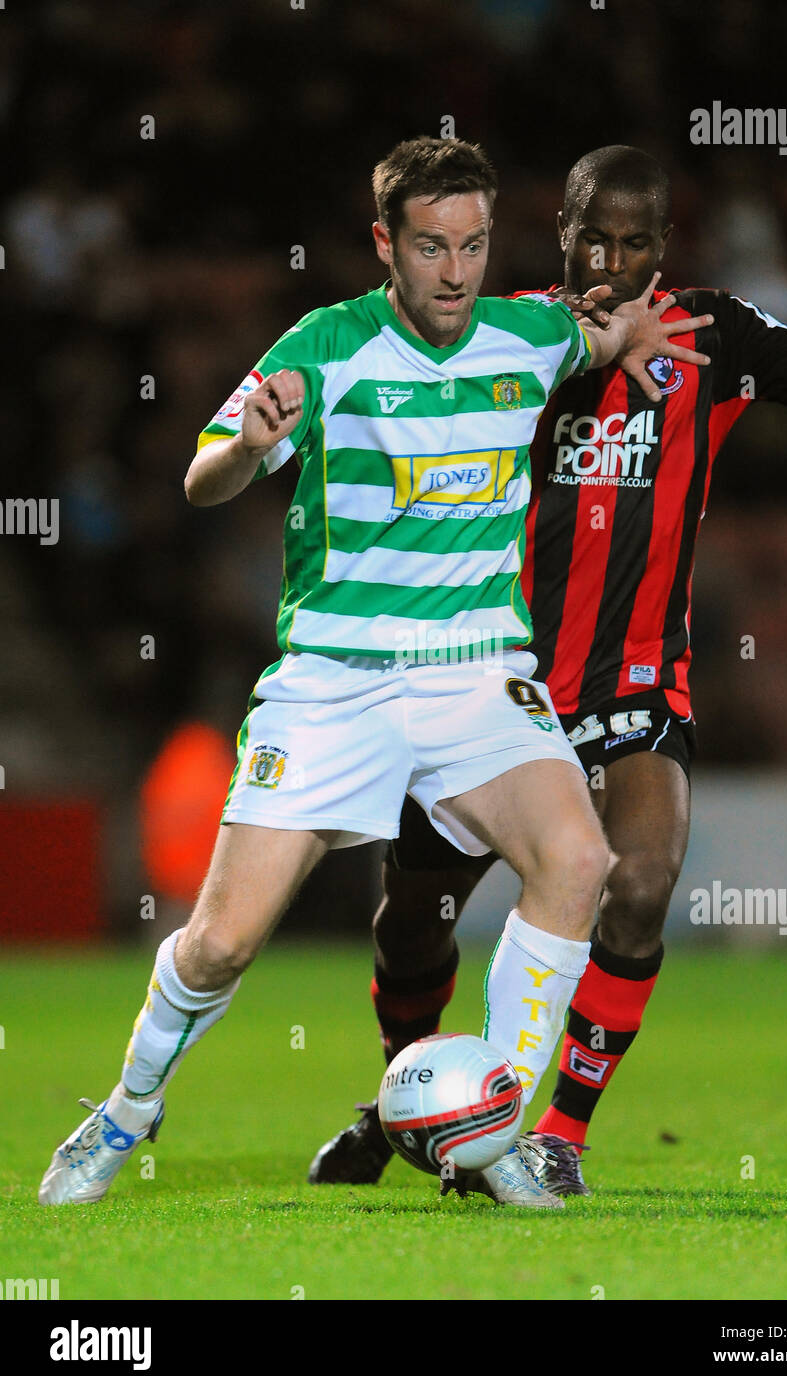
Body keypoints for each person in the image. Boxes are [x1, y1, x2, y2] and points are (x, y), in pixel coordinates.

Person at [38, 138, 711, 1210]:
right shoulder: (325, 345)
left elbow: (611, 322)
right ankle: (127, 1107)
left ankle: (494, 1135)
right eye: (433, 246)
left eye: (477, 245)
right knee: (219, 943)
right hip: (334, 680)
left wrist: (640, 331)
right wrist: (247, 446)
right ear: (384, 244)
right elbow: (203, 476)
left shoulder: (531, 335)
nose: (456, 271)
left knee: (580, 861)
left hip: (476, 671)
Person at [309, 144, 787, 1202]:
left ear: (662, 245)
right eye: (592, 237)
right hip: (493, 682)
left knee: (643, 879)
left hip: (635, 684)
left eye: (634, 241)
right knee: (413, 918)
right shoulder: (511, 333)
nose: (610, 260)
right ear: (561, 230)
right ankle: (408, 1101)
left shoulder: (714, 334)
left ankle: (558, 1134)